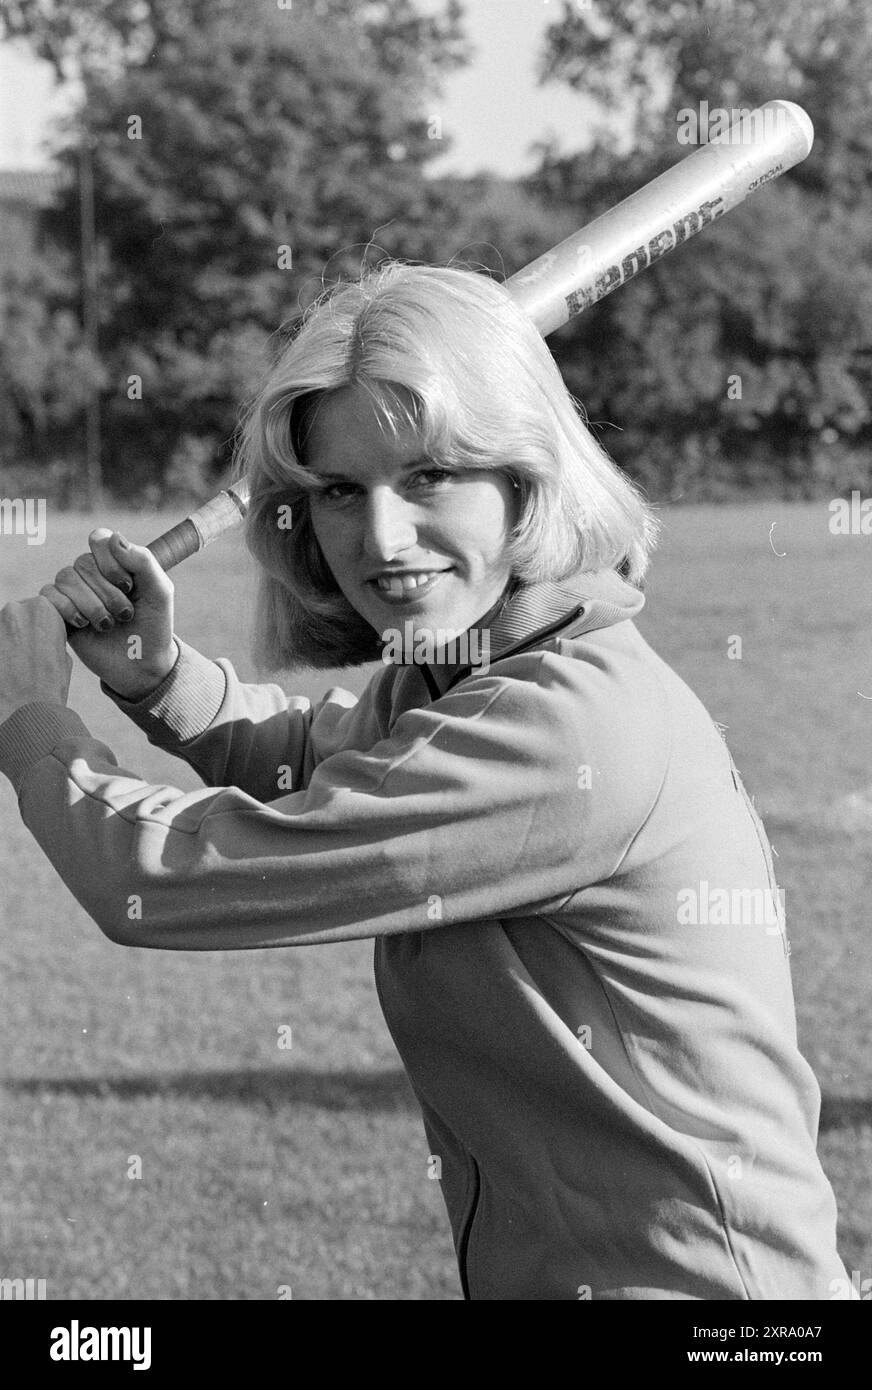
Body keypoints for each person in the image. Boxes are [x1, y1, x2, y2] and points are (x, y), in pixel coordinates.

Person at [0, 263, 849, 1300]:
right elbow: (323, 759)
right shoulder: (462, 672)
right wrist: (164, 681)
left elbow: (168, 877)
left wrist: (31, 721)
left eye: (430, 476)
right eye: (341, 493)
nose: (383, 538)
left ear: (525, 483)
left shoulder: (565, 725)